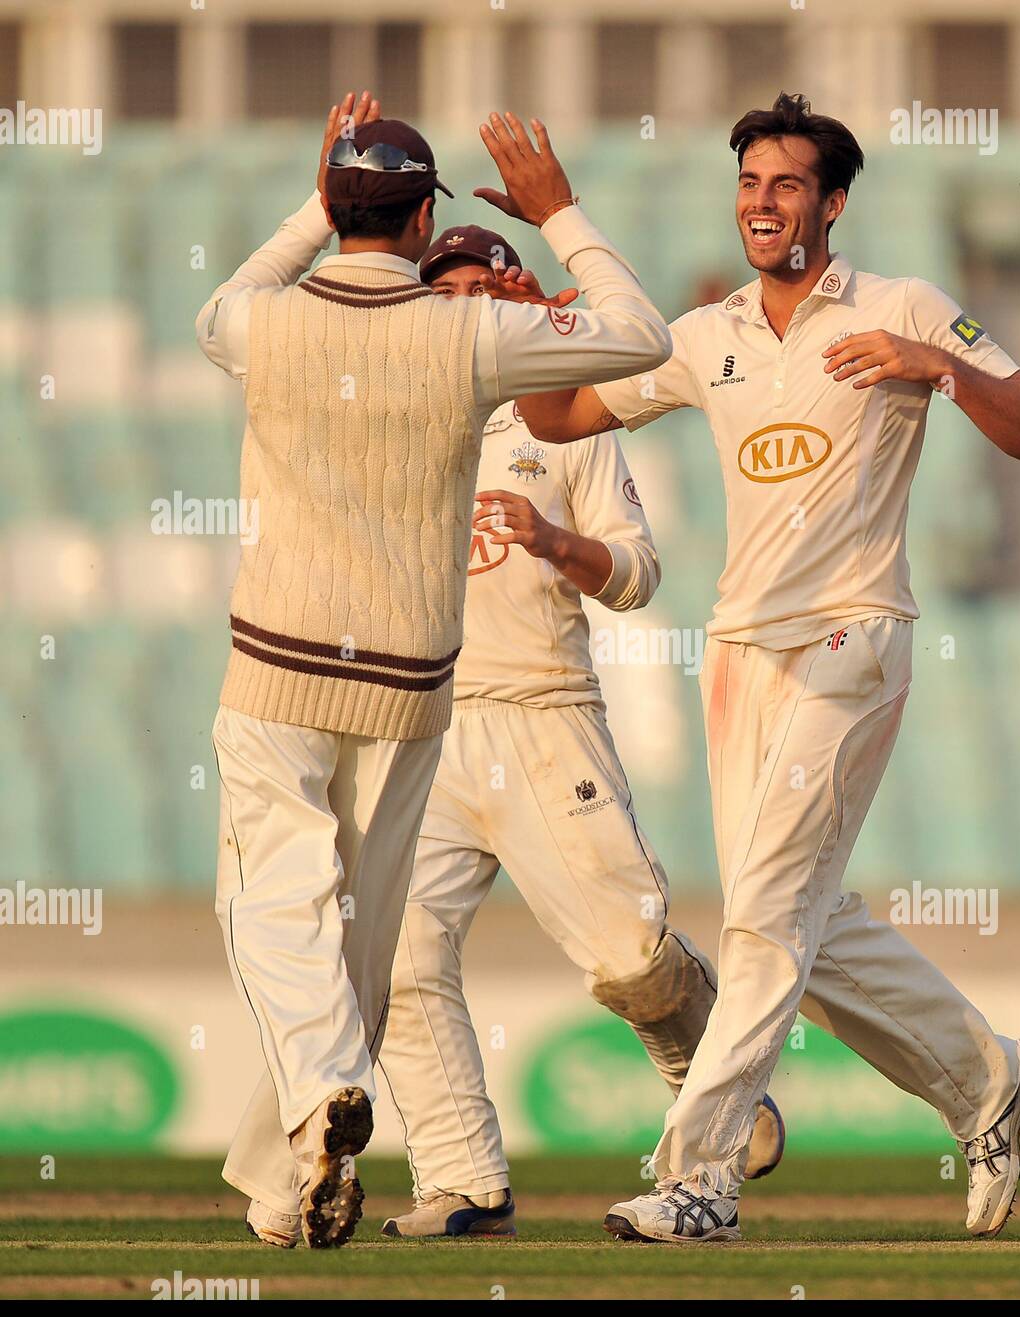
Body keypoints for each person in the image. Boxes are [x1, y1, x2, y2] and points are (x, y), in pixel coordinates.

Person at [517, 93, 1020, 1244]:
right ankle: (985, 1078)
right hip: (739, 651)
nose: (760, 205)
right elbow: (560, 414)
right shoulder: (704, 334)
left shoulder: (903, 307)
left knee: (767, 912)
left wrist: (936, 365)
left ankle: (697, 1177)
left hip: (855, 633)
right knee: (799, 920)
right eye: (748, 185)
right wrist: (537, 322)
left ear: (832, 202)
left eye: (784, 186)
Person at [223, 226, 783, 1246]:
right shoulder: (398, 411)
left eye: (489, 288)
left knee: (627, 960)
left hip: (543, 713)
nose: (471, 303)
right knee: (398, 963)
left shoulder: (557, 422)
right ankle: (463, 1181)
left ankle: (708, 1084)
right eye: (453, 289)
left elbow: (639, 571)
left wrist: (555, 541)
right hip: (423, 720)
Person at [196, 92, 672, 1249]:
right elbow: (642, 333)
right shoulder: (474, 335)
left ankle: (319, 1099)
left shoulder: (262, 324)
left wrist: (319, 203)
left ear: (341, 207)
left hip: (280, 668)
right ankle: (288, 1182)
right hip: (415, 686)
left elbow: (219, 308)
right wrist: (560, 213)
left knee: (271, 902)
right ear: (419, 226)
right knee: (370, 941)